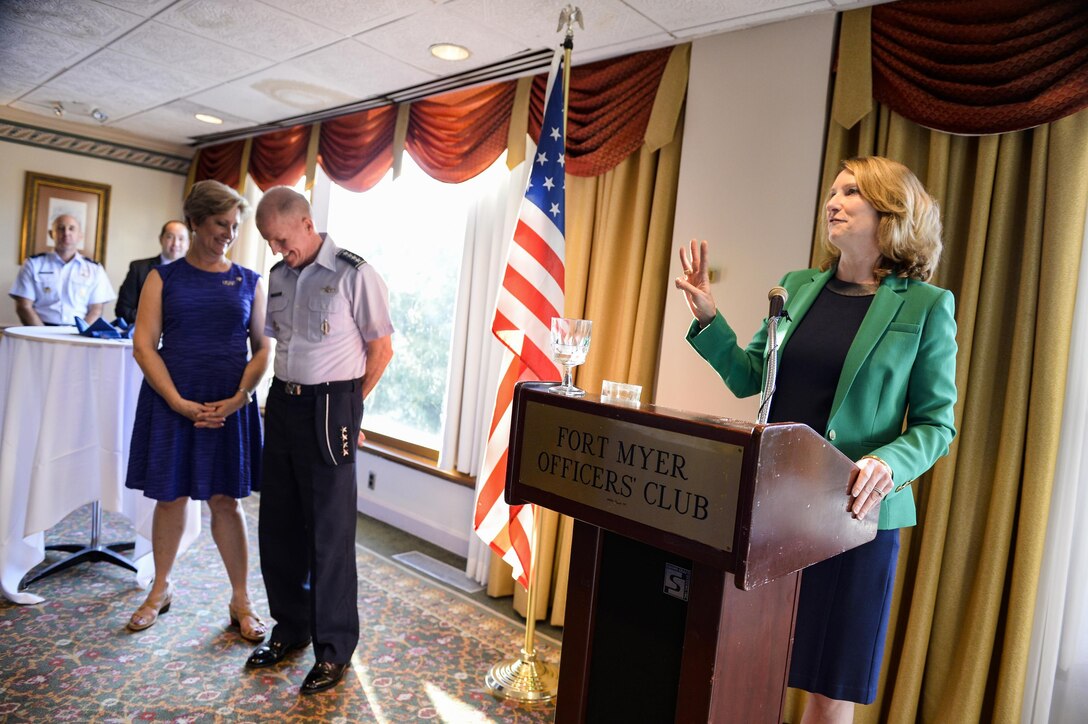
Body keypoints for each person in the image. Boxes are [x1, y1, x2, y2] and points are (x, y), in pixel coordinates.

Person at [675, 156, 957, 722]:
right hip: (776, 507)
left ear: (890, 213)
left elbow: (937, 424)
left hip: (854, 519)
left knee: (827, 691)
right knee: (754, 663)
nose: (834, 201)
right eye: (833, 191)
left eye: (852, 192)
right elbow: (750, 375)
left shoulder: (926, 306)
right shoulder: (799, 287)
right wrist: (709, 317)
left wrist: (886, 463)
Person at [244, 186, 393, 696]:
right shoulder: (279, 276)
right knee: (278, 527)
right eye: (268, 241)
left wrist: (355, 405)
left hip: (332, 407)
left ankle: (334, 650)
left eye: (281, 239)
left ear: (307, 224)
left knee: (329, 536)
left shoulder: (355, 273)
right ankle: (290, 629)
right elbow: (280, 342)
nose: (275, 250)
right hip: (282, 404)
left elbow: (381, 348)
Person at [124, 180, 269, 644]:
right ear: (195, 222)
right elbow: (144, 347)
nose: (228, 233)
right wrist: (177, 401)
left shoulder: (250, 280)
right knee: (171, 498)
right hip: (173, 402)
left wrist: (242, 396)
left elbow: (264, 348)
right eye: (219, 224)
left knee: (227, 502)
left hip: (229, 405)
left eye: (235, 225)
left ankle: (241, 599)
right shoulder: (162, 278)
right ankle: (160, 589)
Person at [10, 214, 115, 325]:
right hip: (40, 330)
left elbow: (96, 309)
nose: (66, 233)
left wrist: (80, 335)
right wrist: (42, 335)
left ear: (80, 236)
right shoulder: (32, 264)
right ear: (51, 234)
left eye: (72, 228)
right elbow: (24, 306)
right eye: (60, 228)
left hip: (79, 332)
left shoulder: (95, 269)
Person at [115, 220, 190, 324]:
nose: (175, 243)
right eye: (170, 237)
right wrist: (154, 325)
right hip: (142, 333)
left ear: (188, 243)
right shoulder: (139, 268)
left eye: (181, 239)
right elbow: (123, 309)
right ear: (161, 239)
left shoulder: (196, 273)